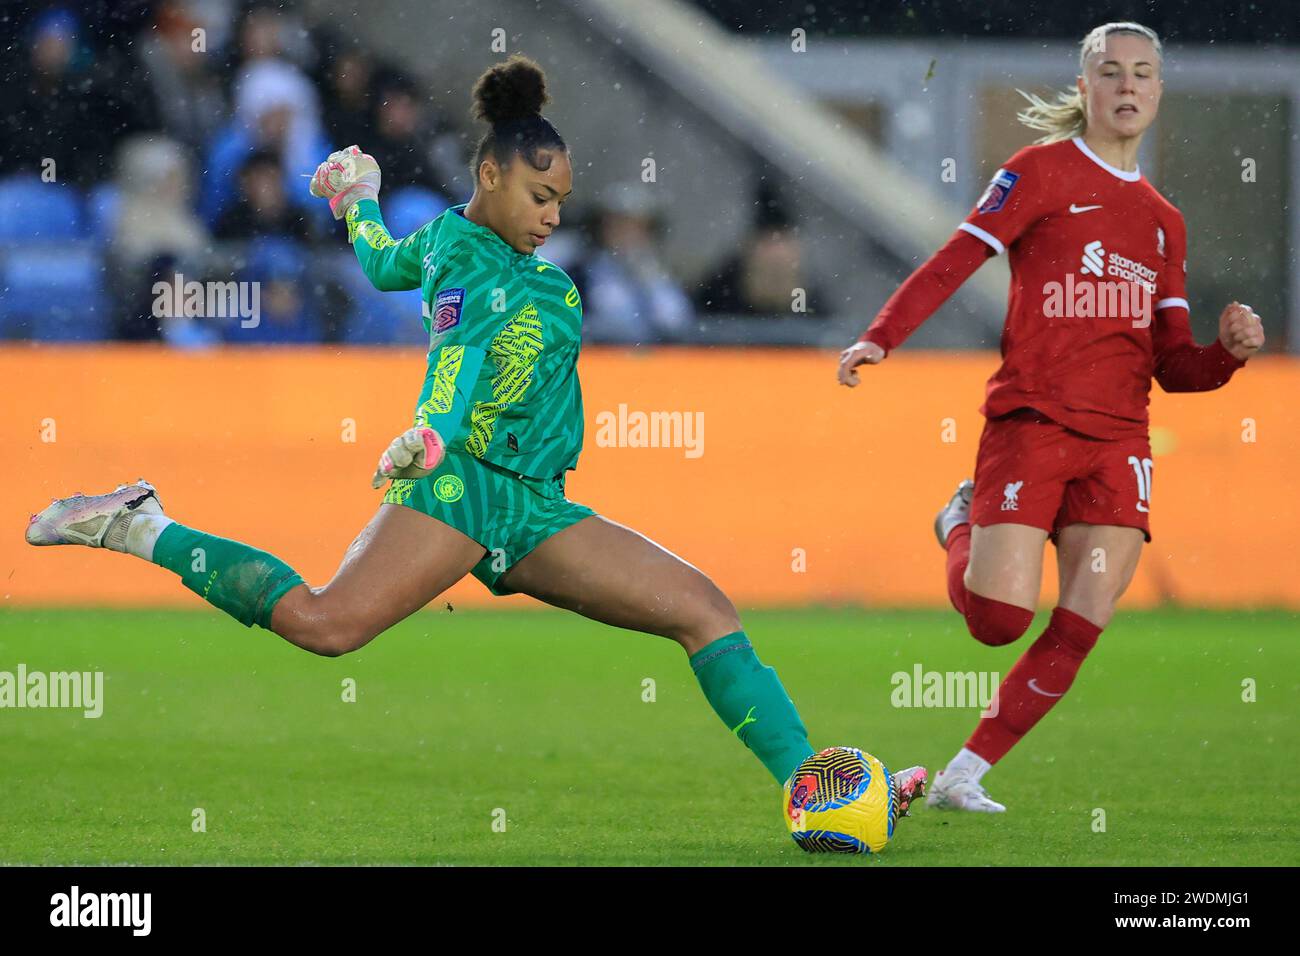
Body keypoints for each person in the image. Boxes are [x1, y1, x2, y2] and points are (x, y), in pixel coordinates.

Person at [26, 55, 925, 831]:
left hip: (534, 502)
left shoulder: (471, 250)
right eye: (540, 196)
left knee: (703, 609)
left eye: (561, 202)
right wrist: (428, 438)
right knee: (327, 624)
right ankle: (137, 525)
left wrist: (358, 200)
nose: (550, 217)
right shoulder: (478, 270)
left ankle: (821, 791)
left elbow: (382, 264)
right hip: (460, 486)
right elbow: (456, 365)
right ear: (491, 175)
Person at [836, 22, 1265, 813]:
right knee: (998, 620)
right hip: (1033, 421)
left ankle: (965, 772)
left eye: (1142, 74)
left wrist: (1228, 354)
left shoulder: (1164, 220)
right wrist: (881, 335)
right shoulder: (1038, 171)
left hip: (1119, 440)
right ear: (1085, 89)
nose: (1128, 87)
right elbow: (956, 257)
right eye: (1110, 73)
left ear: (1159, 91)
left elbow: (1175, 367)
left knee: (1083, 616)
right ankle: (958, 521)